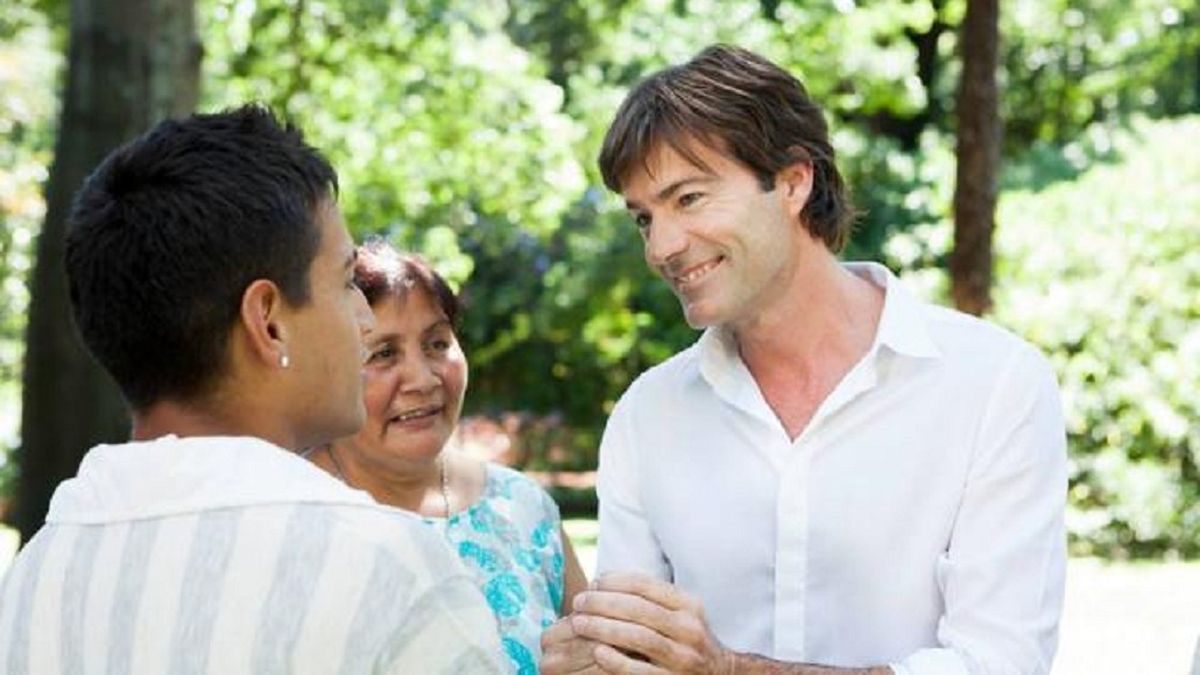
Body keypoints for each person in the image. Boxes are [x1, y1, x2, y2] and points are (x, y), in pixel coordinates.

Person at [541, 44, 1067, 675]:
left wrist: (729, 671)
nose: (662, 247)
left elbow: (999, 664)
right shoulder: (646, 416)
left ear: (793, 182)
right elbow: (637, 658)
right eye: (644, 219)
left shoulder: (995, 384)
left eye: (689, 199)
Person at [0, 106, 505, 674]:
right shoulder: (391, 572)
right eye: (346, 283)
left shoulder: (35, 577)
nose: (365, 322)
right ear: (268, 321)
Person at [305, 239, 589, 675]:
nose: (422, 379)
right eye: (383, 353)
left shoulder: (522, 507)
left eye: (437, 343)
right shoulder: (297, 516)